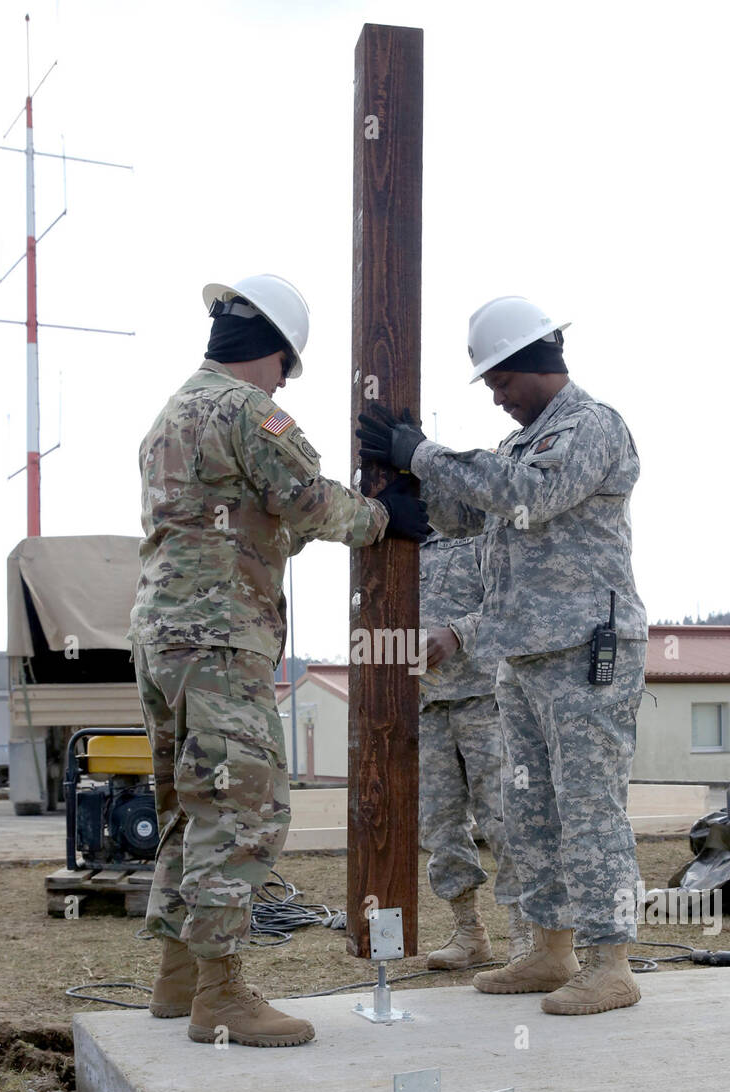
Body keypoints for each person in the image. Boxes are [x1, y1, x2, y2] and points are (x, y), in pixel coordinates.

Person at [129, 274, 428, 1047]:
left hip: (162, 638)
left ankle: (179, 978)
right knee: (242, 808)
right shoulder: (247, 410)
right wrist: (385, 517)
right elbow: (307, 501)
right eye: (287, 369)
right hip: (223, 636)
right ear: (276, 354)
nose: (284, 381)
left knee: (187, 804)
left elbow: (244, 518)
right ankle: (222, 995)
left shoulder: (170, 415)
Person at [357, 296, 648, 1016]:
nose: (497, 396)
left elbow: (528, 496)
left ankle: (611, 961)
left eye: (500, 382)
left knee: (589, 805)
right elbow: (469, 516)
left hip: (585, 649)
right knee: (532, 810)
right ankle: (550, 949)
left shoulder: (589, 426)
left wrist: (423, 453)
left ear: (532, 365)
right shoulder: (522, 442)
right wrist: (415, 478)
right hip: (518, 656)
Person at [419, 528, 530, 969]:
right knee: (439, 823)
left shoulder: (488, 535)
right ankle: (469, 932)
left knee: (503, 818)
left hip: (485, 697)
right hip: (425, 703)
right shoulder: (408, 544)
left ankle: (525, 932)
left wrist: (457, 633)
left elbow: (513, 604)